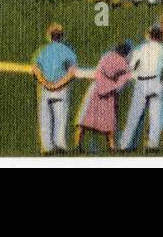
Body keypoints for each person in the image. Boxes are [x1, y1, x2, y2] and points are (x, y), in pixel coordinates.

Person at [120, 26, 163, 152]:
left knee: (134, 114)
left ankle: (124, 144)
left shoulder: (141, 49)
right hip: (157, 82)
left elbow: (131, 67)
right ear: (160, 36)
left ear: (149, 35)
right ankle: (152, 144)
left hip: (142, 82)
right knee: (156, 115)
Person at [76, 41, 133, 152]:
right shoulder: (125, 65)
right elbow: (120, 84)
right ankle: (111, 146)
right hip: (109, 94)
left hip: (96, 89)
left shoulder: (106, 56)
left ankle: (78, 144)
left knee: (85, 118)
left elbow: (98, 71)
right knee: (109, 120)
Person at [32, 23, 77, 155]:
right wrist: (57, 85)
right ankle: (60, 144)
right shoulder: (68, 51)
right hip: (61, 89)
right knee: (60, 118)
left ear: (49, 36)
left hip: (46, 89)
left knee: (45, 119)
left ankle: (47, 147)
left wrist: (46, 83)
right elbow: (72, 72)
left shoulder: (42, 50)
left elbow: (36, 69)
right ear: (62, 36)